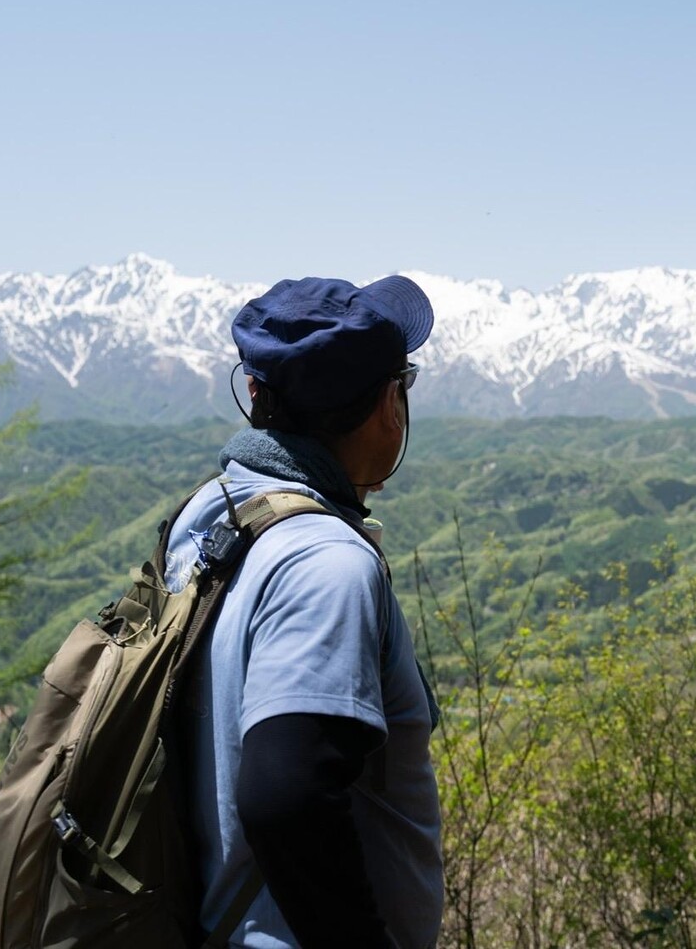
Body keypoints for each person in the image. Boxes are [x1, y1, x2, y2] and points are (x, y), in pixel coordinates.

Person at [162, 275, 443, 948]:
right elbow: (286, 798)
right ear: (386, 402)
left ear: (255, 395)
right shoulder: (327, 566)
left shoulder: (212, 515)